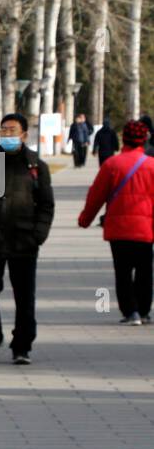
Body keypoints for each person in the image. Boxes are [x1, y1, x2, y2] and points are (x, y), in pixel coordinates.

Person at [0, 112, 55, 364]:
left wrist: (38, 234)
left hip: (24, 240)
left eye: (12, 130)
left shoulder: (36, 167)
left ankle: (22, 345)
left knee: (24, 295)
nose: (7, 134)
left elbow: (46, 205)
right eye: (3, 130)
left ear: (24, 135)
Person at [78, 119, 154, 325]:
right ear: (144, 139)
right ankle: (145, 310)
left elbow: (96, 195)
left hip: (119, 230)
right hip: (146, 229)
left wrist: (85, 219)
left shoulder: (112, 164)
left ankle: (131, 312)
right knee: (145, 271)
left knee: (122, 271)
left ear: (123, 138)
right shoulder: (152, 166)